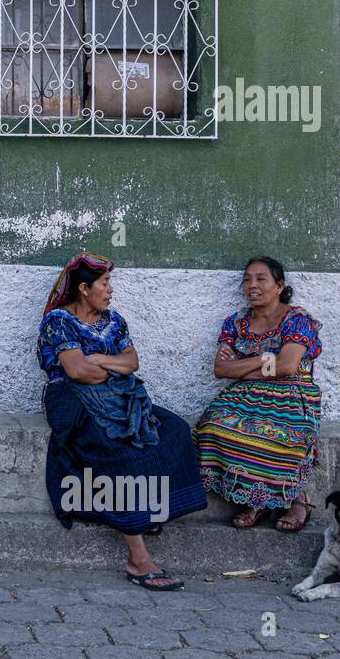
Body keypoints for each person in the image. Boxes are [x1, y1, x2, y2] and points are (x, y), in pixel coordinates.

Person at [38, 252, 207, 590]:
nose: (110, 290)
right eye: (105, 283)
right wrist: (108, 367)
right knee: (123, 453)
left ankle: (150, 514)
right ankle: (137, 559)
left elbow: (132, 362)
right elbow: (75, 371)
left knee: (174, 431)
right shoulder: (59, 321)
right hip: (71, 400)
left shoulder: (114, 321)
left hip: (120, 397)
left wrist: (98, 359)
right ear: (84, 288)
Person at [192, 256, 323, 532]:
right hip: (245, 394)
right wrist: (266, 358)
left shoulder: (298, 320)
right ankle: (256, 499)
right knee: (214, 426)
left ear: (279, 286)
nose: (252, 285)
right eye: (247, 279)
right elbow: (221, 369)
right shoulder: (235, 323)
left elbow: (288, 367)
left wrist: (245, 366)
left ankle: (297, 498)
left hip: (292, 393)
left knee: (272, 433)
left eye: (261, 279)